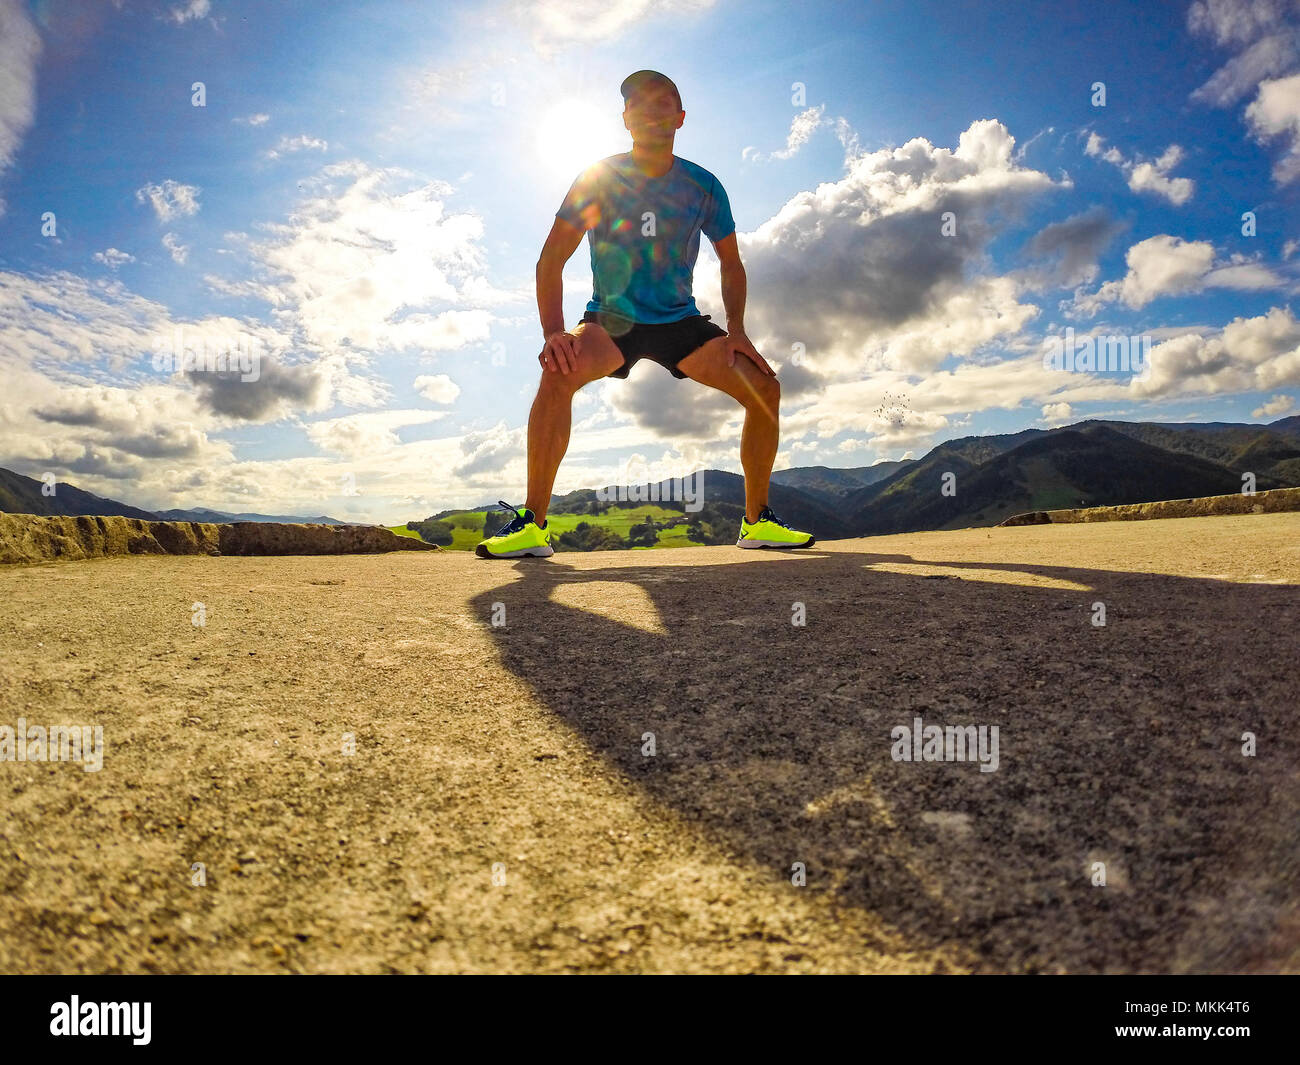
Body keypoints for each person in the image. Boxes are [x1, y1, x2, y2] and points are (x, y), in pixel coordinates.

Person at [476, 69, 814, 558]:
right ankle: (533, 525)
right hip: (611, 321)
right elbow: (551, 259)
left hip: (681, 323)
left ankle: (756, 522)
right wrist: (554, 332)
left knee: (766, 386)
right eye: (639, 105)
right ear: (625, 119)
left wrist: (737, 331)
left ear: (679, 118)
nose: (650, 113)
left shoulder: (704, 186)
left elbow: (732, 262)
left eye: (663, 104)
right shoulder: (597, 180)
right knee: (558, 371)